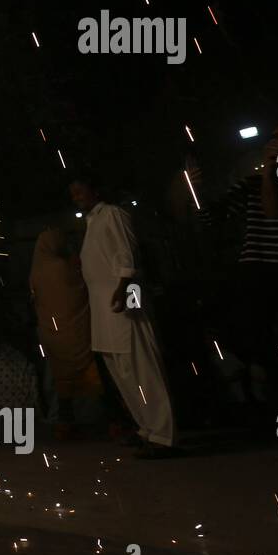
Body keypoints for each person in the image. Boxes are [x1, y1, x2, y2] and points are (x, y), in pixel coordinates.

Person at [189, 124, 278, 435]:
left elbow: (274, 209)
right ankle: (275, 388)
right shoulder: (251, 183)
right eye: (272, 145)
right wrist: (197, 191)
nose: (273, 151)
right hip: (257, 266)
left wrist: (270, 175)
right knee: (246, 331)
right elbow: (211, 219)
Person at [70, 173, 178, 458]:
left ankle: (163, 435)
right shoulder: (92, 222)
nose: (76, 197)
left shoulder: (113, 214)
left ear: (95, 191)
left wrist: (125, 291)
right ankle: (146, 429)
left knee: (142, 366)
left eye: (80, 191)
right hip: (104, 310)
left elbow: (127, 257)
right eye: (74, 193)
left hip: (124, 303)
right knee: (123, 372)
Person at [29, 228, 102, 439]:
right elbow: (81, 288)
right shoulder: (63, 266)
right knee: (94, 375)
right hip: (77, 331)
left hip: (53, 334)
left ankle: (65, 424)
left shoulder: (36, 271)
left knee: (63, 382)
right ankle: (116, 420)